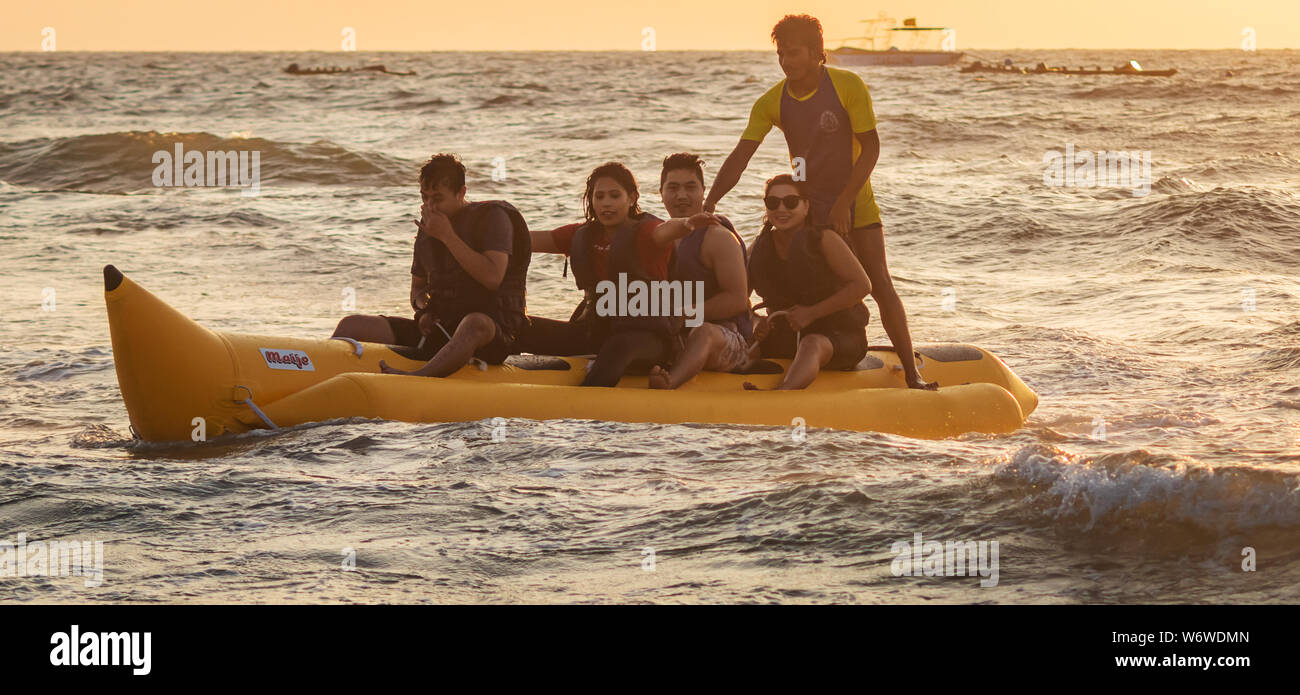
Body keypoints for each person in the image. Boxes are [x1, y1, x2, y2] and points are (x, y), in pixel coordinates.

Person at [704, 13, 935, 390]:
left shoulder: (847, 85)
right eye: (781, 54)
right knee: (769, 274)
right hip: (803, 208)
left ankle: (912, 373)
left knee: (878, 282)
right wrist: (710, 202)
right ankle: (753, 348)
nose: (786, 62)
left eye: (793, 53)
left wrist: (844, 203)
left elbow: (871, 148)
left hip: (855, 203)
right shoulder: (772, 102)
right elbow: (741, 155)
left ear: (816, 53)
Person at [331, 153, 531, 377]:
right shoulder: (429, 228)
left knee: (474, 323)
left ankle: (419, 377)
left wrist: (447, 236)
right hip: (440, 328)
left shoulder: (493, 218)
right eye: (424, 197)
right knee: (352, 325)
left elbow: (493, 277)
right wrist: (423, 311)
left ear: (461, 193)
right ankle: (317, 374)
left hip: (490, 333)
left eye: (438, 198)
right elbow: (418, 289)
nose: (430, 206)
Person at [518, 162, 706, 387]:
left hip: (648, 338)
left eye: (615, 196)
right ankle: (483, 374)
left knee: (618, 347)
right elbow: (526, 240)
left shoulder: (646, 231)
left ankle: (584, 413)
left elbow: (663, 231)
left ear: (632, 198)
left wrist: (685, 224)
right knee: (516, 327)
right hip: (595, 332)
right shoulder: (584, 235)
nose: (606, 203)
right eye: (600, 196)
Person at [744, 175, 871, 391]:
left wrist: (811, 313)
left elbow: (861, 286)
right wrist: (756, 322)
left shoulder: (824, 239)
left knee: (811, 343)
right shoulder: (759, 246)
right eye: (772, 203)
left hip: (838, 336)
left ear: (806, 206)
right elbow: (738, 297)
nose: (781, 209)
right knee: (741, 343)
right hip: (785, 337)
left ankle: (782, 396)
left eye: (791, 202)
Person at [646, 153, 753, 389]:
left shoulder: (718, 238)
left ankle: (670, 383)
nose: (681, 195)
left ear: (704, 191)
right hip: (676, 334)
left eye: (690, 187)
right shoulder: (658, 235)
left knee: (704, 333)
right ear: (660, 193)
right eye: (672, 188)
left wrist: (685, 314)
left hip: (725, 339)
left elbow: (737, 300)